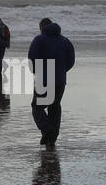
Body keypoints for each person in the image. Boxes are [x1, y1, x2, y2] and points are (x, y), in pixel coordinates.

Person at [26, 17, 75, 147]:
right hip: (60, 81)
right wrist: (61, 71)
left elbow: (31, 59)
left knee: (37, 107)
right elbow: (71, 61)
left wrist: (37, 72)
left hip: (44, 79)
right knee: (55, 106)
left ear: (41, 27)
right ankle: (52, 138)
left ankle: (47, 129)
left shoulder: (39, 40)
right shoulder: (65, 41)